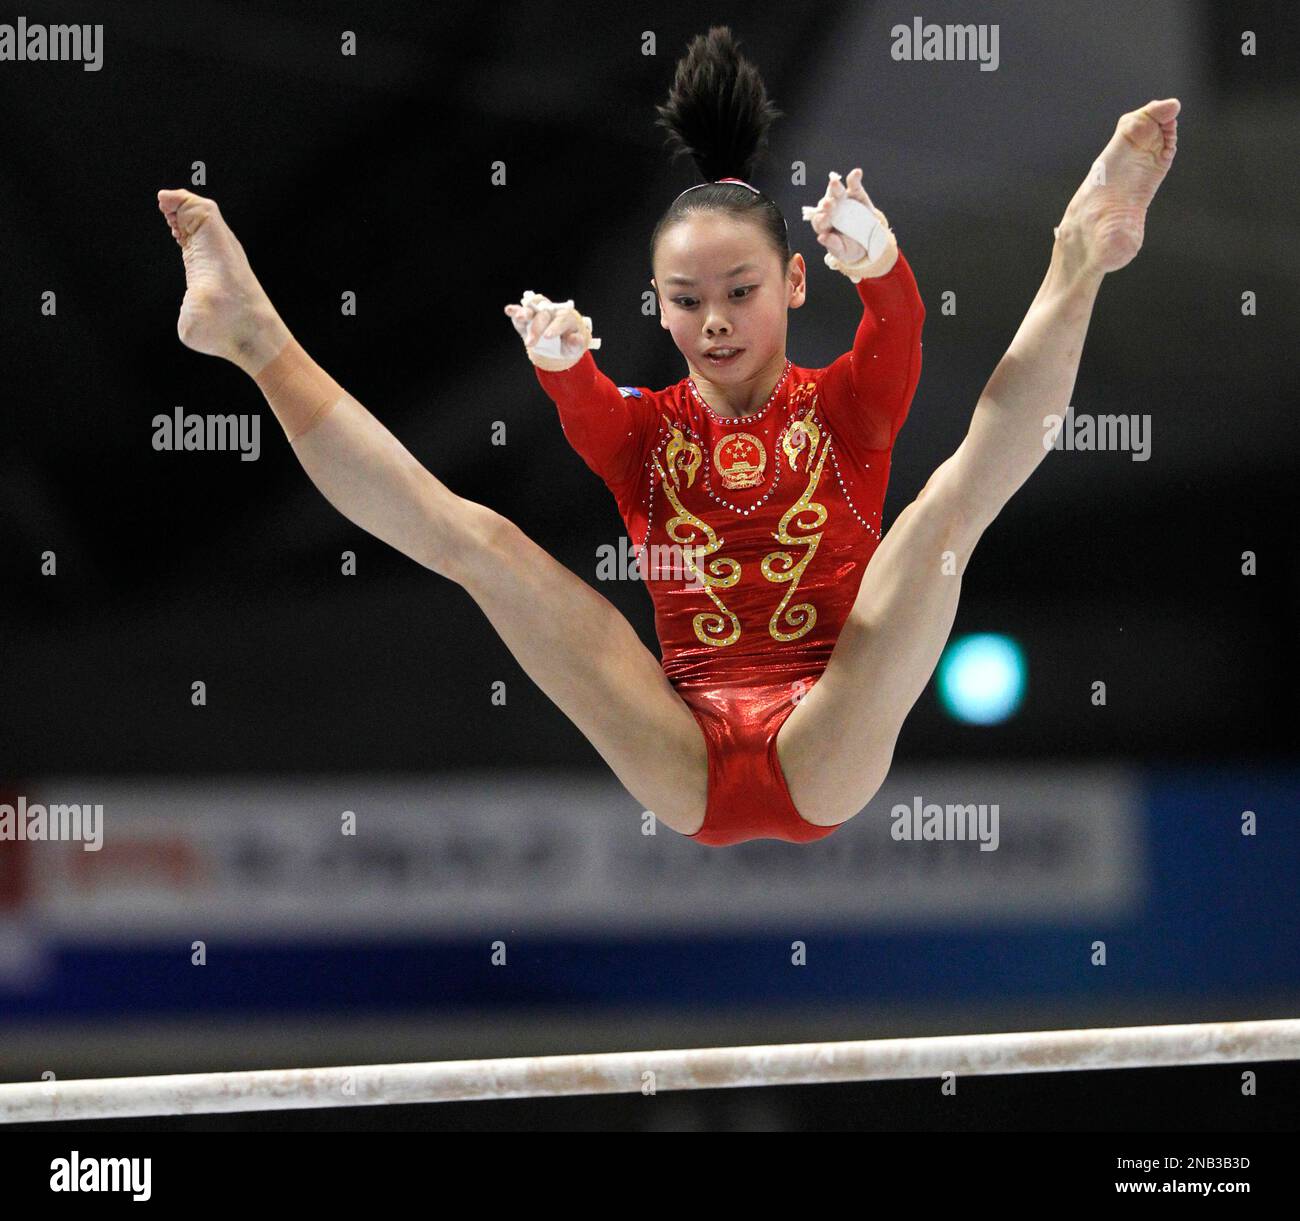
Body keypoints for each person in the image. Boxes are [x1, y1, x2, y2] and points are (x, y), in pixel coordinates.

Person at [157, 26, 1178, 847]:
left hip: (828, 729)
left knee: (953, 503)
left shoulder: (844, 406)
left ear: (790, 284)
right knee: (480, 544)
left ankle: (1081, 254)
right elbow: (589, 416)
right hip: (682, 750)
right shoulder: (645, 432)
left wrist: (881, 267)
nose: (717, 320)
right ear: (658, 303)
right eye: (687, 301)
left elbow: (898, 339)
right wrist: (564, 366)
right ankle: (255, 343)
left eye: (740, 292)